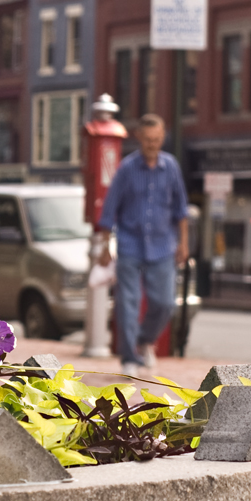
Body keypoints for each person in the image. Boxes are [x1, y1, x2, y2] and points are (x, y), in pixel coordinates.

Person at [97, 114, 189, 377]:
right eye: (148, 140)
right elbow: (110, 208)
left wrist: (183, 244)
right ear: (139, 138)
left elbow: (181, 211)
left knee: (165, 304)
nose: (153, 144)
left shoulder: (171, 167)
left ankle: (144, 340)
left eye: (158, 139)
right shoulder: (126, 169)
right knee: (128, 303)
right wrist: (105, 246)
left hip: (162, 246)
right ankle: (129, 358)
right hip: (130, 244)